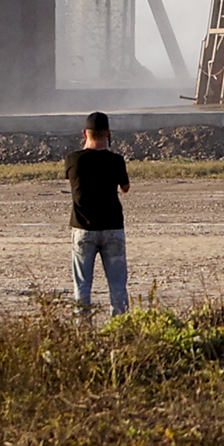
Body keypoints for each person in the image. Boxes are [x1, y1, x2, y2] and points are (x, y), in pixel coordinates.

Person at [63, 111, 131, 316]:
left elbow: (72, 181)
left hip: (83, 227)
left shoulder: (73, 159)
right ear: (107, 134)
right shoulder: (116, 160)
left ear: (85, 133)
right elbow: (125, 188)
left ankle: (83, 326)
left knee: (82, 285)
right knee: (118, 285)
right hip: (112, 226)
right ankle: (120, 324)